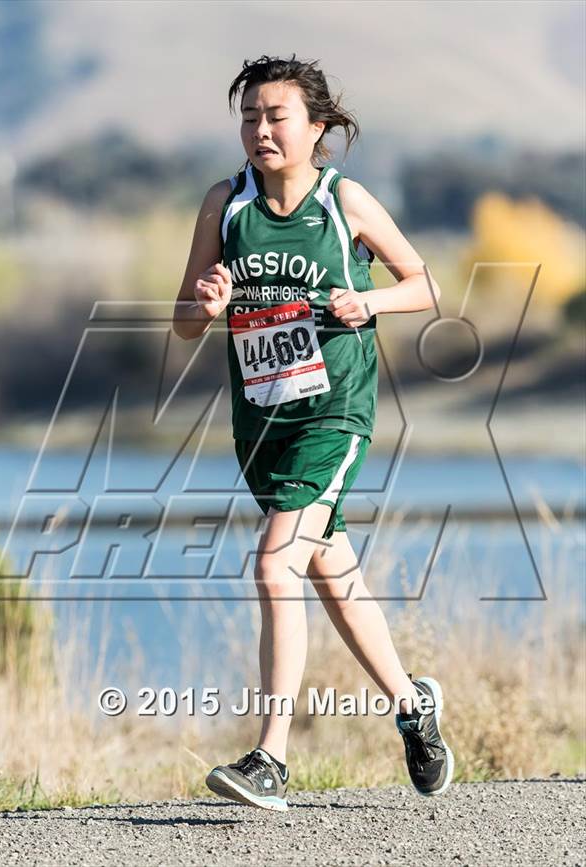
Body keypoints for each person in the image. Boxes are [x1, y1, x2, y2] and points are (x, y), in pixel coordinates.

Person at [171, 54, 454, 812]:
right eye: (249, 116)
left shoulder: (345, 200)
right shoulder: (223, 204)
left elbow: (424, 285)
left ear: (317, 127)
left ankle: (271, 757)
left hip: (336, 416)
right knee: (330, 566)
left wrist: (369, 303)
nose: (260, 130)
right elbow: (183, 321)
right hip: (262, 421)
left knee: (274, 567)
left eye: (276, 116)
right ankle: (412, 707)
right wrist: (208, 299)